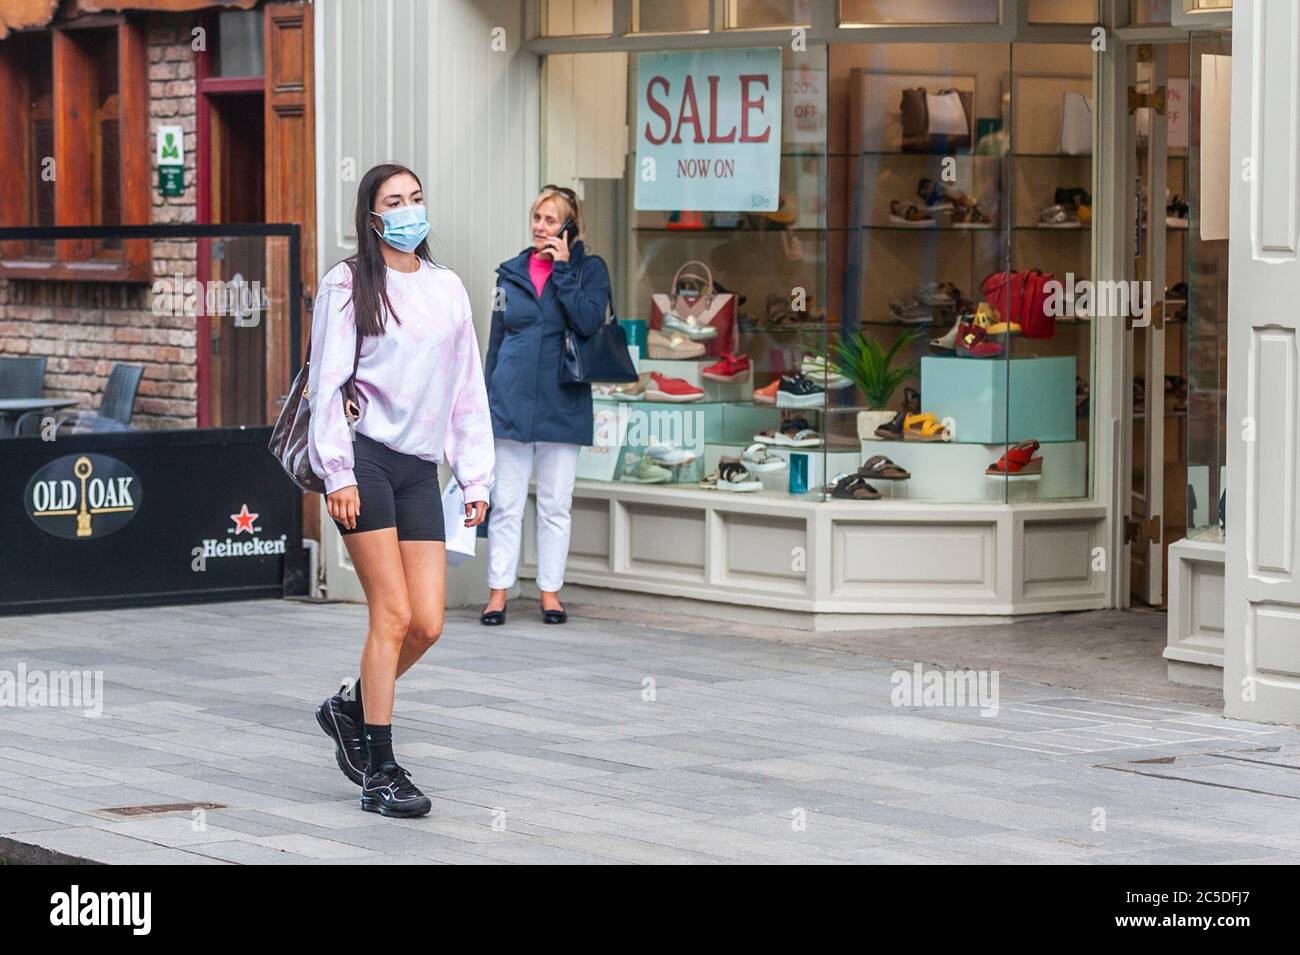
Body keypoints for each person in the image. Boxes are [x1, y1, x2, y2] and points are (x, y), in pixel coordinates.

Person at [309, 163, 493, 818]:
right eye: (396, 201)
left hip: (420, 468)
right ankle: (379, 769)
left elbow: (467, 387)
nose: (410, 209)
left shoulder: (447, 289)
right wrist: (338, 472)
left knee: (429, 622)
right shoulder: (350, 282)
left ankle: (347, 707)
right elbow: (326, 382)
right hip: (366, 461)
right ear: (373, 216)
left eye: (417, 197)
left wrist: (475, 474)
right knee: (390, 613)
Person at [480, 185, 611, 626]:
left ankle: (550, 593)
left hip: (563, 399)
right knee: (506, 502)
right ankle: (498, 592)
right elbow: (496, 339)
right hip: (510, 398)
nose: (540, 227)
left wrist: (563, 269)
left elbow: (590, 321)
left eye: (551, 220)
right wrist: (484, 398)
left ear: (570, 226)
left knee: (556, 503)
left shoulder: (589, 270)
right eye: (537, 217)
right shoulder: (509, 274)